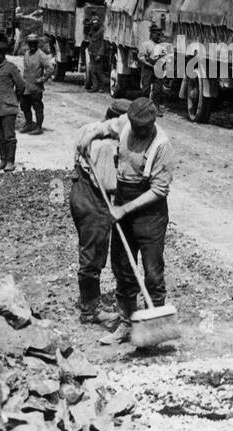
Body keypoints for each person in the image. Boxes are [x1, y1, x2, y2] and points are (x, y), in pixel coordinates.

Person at [72, 96, 172, 344]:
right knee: (123, 268)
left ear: (152, 123)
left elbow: (159, 190)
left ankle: (154, 329)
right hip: (124, 201)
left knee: (152, 273)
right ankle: (126, 324)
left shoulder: (162, 145)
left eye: (142, 128)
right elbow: (107, 126)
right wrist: (90, 136)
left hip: (149, 210)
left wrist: (124, 209)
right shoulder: (127, 123)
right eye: (134, 126)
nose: (137, 131)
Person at [68, 97, 130, 326]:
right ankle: (90, 309)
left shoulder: (88, 128)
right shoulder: (105, 146)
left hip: (79, 191)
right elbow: (109, 184)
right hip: (93, 199)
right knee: (93, 255)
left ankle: (90, 304)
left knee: (89, 251)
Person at [0, 37, 25, 172]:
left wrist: (14, 99)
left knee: (9, 136)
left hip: (8, 108)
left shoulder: (11, 68)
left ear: (0, 54)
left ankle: (10, 161)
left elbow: (21, 85)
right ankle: (3, 159)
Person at [20, 34, 55, 134]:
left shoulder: (41, 55)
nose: (32, 45)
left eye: (34, 43)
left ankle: (39, 127)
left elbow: (50, 68)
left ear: (37, 43)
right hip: (26, 86)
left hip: (36, 87)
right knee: (25, 106)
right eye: (30, 43)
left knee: (37, 107)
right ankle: (29, 124)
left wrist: (43, 79)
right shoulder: (26, 53)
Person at [137, 23, 169, 113]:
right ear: (151, 34)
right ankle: (143, 109)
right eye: (156, 33)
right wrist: (150, 65)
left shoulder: (163, 46)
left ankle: (155, 109)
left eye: (159, 34)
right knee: (145, 89)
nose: (158, 36)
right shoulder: (146, 44)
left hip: (158, 69)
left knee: (157, 90)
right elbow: (141, 58)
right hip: (148, 68)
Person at [84, 14, 107, 92]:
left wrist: (100, 54)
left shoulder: (101, 31)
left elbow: (103, 44)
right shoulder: (93, 30)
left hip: (98, 53)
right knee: (92, 71)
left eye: (96, 23)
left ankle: (101, 87)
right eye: (93, 23)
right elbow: (88, 32)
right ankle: (95, 86)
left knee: (99, 72)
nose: (95, 24)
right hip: (92, 52)